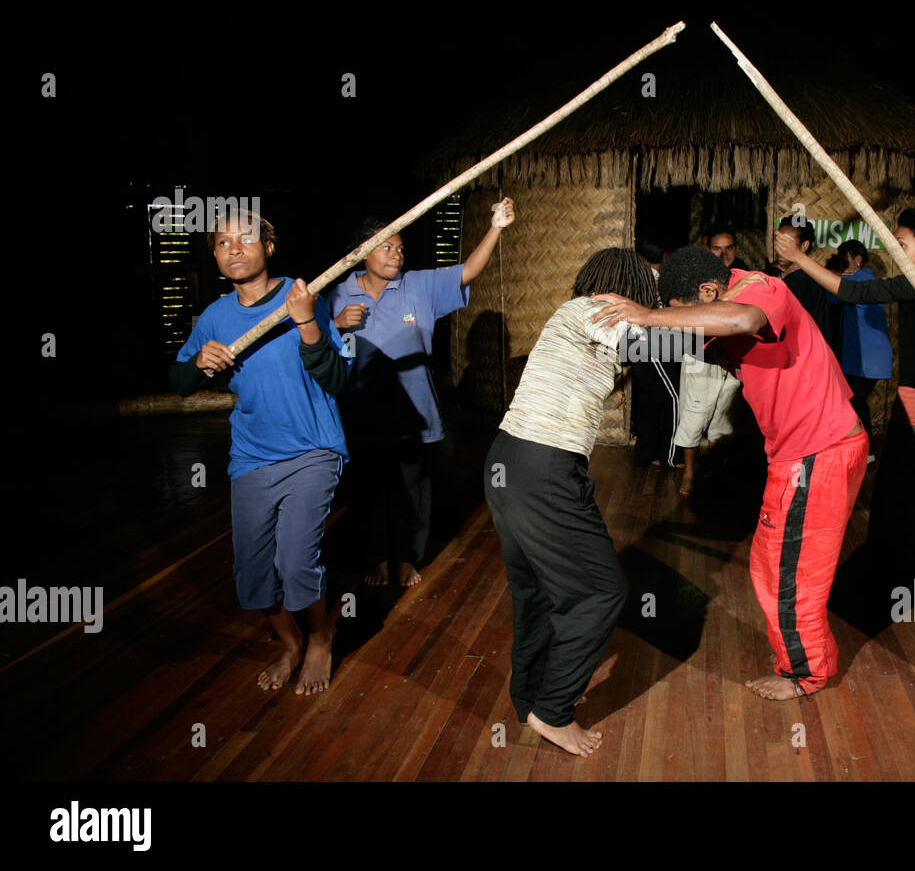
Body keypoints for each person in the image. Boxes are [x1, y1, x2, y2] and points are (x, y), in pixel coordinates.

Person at [593, 246, 867, 701]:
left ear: (708, 290)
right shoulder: (720, 310)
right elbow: (675, 340)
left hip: (818, 452)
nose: (691, 320)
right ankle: (801, 660)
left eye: (689, 311)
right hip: (802, 453)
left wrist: (648, 315)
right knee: (771, 561)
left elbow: (742, 321)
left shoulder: (760, 289)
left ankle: (805, 672)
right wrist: (604, 333)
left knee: (788, 571)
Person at [483, 248, 658, 757]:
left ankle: (532, 694)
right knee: (601, 593)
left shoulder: (576, 314)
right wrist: (709, 317)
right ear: (628, 288)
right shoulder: (598, 311)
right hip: (542, 470)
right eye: (645, 288)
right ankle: (553, 712)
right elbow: (660, 344)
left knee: (536, 589)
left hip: (512, 463)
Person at [171, 211, 351, 695]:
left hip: (312, 449)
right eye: (222, 242)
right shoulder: (214, 317)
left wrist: (307, 323)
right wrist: (199, 362)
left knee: (295, 561)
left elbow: (338, 379)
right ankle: (289, 642)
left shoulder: (302, 296)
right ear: (214, 255)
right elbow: (179, 382)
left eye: (245, 239)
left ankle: (319, 636)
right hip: (251, 456)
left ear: (268, 247)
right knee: (251, 572)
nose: (233, 249)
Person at [777, 207, 915, 595]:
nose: (899, 253)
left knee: (903, 493)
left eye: (903, 246)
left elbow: (852, 291)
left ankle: (896, 579)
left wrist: (801, 259)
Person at [329, 200, 514, 587]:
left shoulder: (418, 287)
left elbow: (466, 272)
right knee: (370, 489)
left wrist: (496, 227)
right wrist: (334, 325)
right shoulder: (338, 295)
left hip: (413, 412)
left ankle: (407, 557)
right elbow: (315, 349)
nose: (396, 254)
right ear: (363, 252)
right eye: (387, 247)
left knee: (412, 488)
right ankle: (378, 558)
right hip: (362, 414)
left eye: (400, 247)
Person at [675, 233, 745, 496]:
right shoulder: (694, 278)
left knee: (723, 418)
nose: (724, 254)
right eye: (717, 248)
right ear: (708, 249)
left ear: (735, 249)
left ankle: (715, 470)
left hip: (732, 360)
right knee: (694, 416)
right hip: (700, 357)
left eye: (729, 248)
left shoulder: (743, 277)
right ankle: (690, 473)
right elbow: (686, 319)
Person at [829, 240, 893, 440]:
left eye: (844, 259)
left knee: (853, 401)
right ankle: (866, 449)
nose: (841, 265)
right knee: (855, 401)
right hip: (872, 356)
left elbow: (829, 295)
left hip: (866, 358)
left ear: (857, 260)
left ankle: (867, 449)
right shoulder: (868, 279)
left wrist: (834, 276)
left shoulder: (858, 280)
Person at [629, 242, 681, 468]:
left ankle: (644, 455)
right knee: (674, 398)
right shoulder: (651, 281)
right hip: (649, 345)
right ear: (665, 255)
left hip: (640, 344)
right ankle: (670, 457)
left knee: (649, 401)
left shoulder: (637, 279)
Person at [775, 219, 832, 346]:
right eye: (778, 242)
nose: (780, 249)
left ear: (804, 246)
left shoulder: (799, 279)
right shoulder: (794, 275)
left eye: (787, 244)